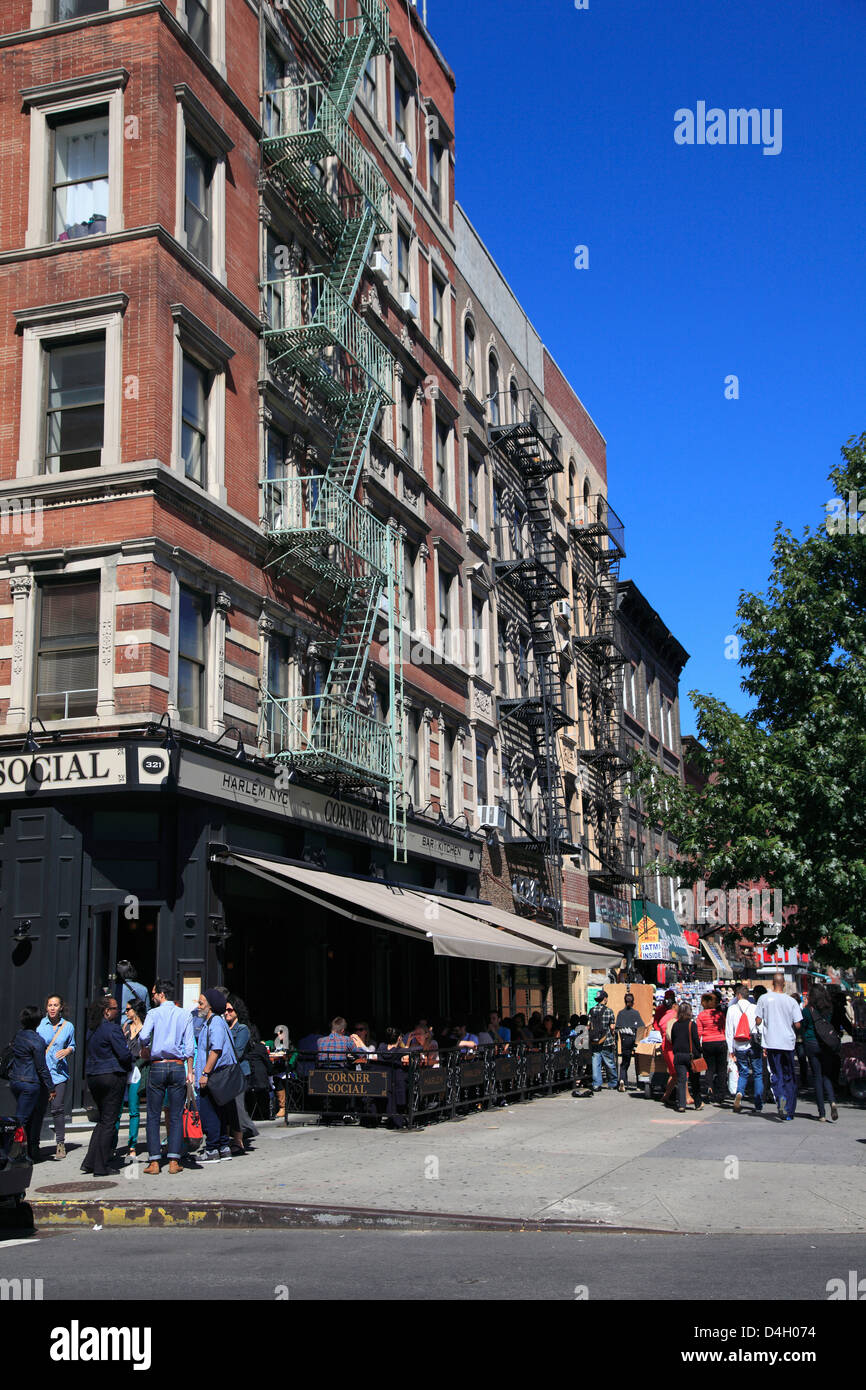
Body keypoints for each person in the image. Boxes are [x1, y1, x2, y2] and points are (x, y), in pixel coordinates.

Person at [137, 979, 194, 1175]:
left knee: (153, 1114)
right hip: (178, 1066)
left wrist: (145, 1047)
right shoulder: (184, 1014)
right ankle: (173, 1161)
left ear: (162, 995)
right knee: (176, 1115)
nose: (153, 997)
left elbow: (144, 1036)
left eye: (155, 994)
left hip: (158, 1066)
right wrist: (190, 1071)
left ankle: (154, 1162)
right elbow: (189, 1047)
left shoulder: (153, 1013)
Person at [81, 996, 132, 1176]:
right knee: (109, 1121)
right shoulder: (112, 1029)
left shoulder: (91, 1030)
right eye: (115, 1008)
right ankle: (101, 1166)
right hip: (111, 1076)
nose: (118, 1012)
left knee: (103, 1119)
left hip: (94, 1076)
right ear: (106, 1011)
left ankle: (90, 1162)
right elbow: (124, 1055)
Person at [196, 989, 240, 1162]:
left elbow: (216, 1049)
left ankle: (213, 1148)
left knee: (211, 1113)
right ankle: (223, 1146)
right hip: (217, 1076)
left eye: (201, 1003)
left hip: (213, 1076)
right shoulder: (215, 1022)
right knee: (220, 1112)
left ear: (211, 1006)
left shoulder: (214, 1022)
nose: (198, 1006)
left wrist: (205, 1073)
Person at [9, 1005, 55, 1163]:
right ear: (38, 1021)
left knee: (28, 1116)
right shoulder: (38, 1040)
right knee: (22, 1120)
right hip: (30, 1084)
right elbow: (41, 1067)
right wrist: (51, 1087)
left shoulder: (18, 1036)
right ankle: (16, 1153)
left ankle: (29, 1150)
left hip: (15, 1081)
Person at [756, 972, 802, 1121]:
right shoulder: (791, 1001)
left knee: (776, 1073)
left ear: (772, 983)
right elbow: (798, 1024)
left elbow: (758, 1020)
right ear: (784, 984)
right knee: (789, 1075)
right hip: (787, 1042)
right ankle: (789, 1110)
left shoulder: (764, 999)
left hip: (771, 1042)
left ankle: (780, 1097)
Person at [37, 993, 75, 1160]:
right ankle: (33, 1144)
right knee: (38, 1110)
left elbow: (72, 1045)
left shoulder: (68, 1026)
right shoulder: (40, 1025)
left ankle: (60, 1143)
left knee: (57, 1109)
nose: (52, 1008)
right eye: (50, 1005)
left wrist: (68, 1050)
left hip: (59, 1074)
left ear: (61, 1008)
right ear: (46, 1007)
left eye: (55, 1005)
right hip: (42, 1074)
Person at [225, 996, 259, 1153]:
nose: (227, 1013)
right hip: (226, 1073)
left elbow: (238, 1052)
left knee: (237, 1107)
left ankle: (240, 1140)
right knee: (226, 1107)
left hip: (239, 1073)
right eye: (225, 1010)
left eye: (230, 1010)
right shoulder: (225, 1027)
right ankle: (227, 1140)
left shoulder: (242, 1029)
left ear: (237, 1012)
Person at [801, 983, 840, 1123]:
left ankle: (822, 1113)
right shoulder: (829, 1008)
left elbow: (803, 1026)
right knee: (826, 1075)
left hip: (811, 1043)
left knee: (817, 1077)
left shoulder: (807, 1010)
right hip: (826, 1044)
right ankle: (832, 1101)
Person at [115, 997, 147, 1159]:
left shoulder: (146, 1028)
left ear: (135, 1010)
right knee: (117, 1110)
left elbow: (147, 1051)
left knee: (134, 1110)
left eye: (128, 1009)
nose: (125, 1012)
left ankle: (132, 1144)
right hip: (122, 1070)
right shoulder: (125, 1027)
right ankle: (112, 1143)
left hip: (136, 1071)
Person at [725, 983, 764, 1114]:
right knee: (758, 1073)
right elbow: (761, 1027)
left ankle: (739, 1093)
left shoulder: (732, 1009)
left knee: (743, 1072)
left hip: (739, 1044)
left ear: (738, 995)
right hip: (753, 1044)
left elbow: (729, 1031)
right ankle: (758, 1104)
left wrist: (731, 1050)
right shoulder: (755, 1007)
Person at [669, 1003, 704, 1113]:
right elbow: (696, 1041)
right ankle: (698, 1103)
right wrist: (700, 1051)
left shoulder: (675, 1025)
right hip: (690, 1056)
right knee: (695, 1081)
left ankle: (681, 1104)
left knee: (681, 1081)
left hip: (678, 1056)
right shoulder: (691, 1024)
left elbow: (673, 1040)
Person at [696, 992, 728, 1105]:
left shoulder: (701, 1016)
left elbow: (699, 1032)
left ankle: (709, 1088)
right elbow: (724, 1029)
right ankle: (721, 1093)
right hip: (720, 1041)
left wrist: (697, 1046)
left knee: (709, 1068)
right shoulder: (720, 1014)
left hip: (707, 1043)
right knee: (722, 1069)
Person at [615, 993, 646, 1091]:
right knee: (638, 1061)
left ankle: (622, 1080)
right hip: (634, 1039)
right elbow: (641, 1027)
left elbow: (617, 1028)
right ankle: (639, 1084)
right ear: (633, 1002)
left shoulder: (620, 1013)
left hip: (624, 1040)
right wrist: (638, 1041)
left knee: (625, 1062)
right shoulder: (635, 1013)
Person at [587, 991, 617, 1092]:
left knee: (596, 1063)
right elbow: (612, 1027)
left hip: (594, 1041)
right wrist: (613, 1035)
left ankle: (596, 1084)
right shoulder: (609, 1011)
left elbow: (588, 1026)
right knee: (609, 1062)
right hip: (606, 1040)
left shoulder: (591, 1010)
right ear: (604, 999)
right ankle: (613, 1083)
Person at [654, 990, 679, 1107]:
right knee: (679, 1073)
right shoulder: (675, 1015)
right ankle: (686, 1097)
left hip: (663, 1042)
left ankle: (667, 1095)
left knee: (674, 1073)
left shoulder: (660, 1011)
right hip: (672, 1046)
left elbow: (656, 1024)